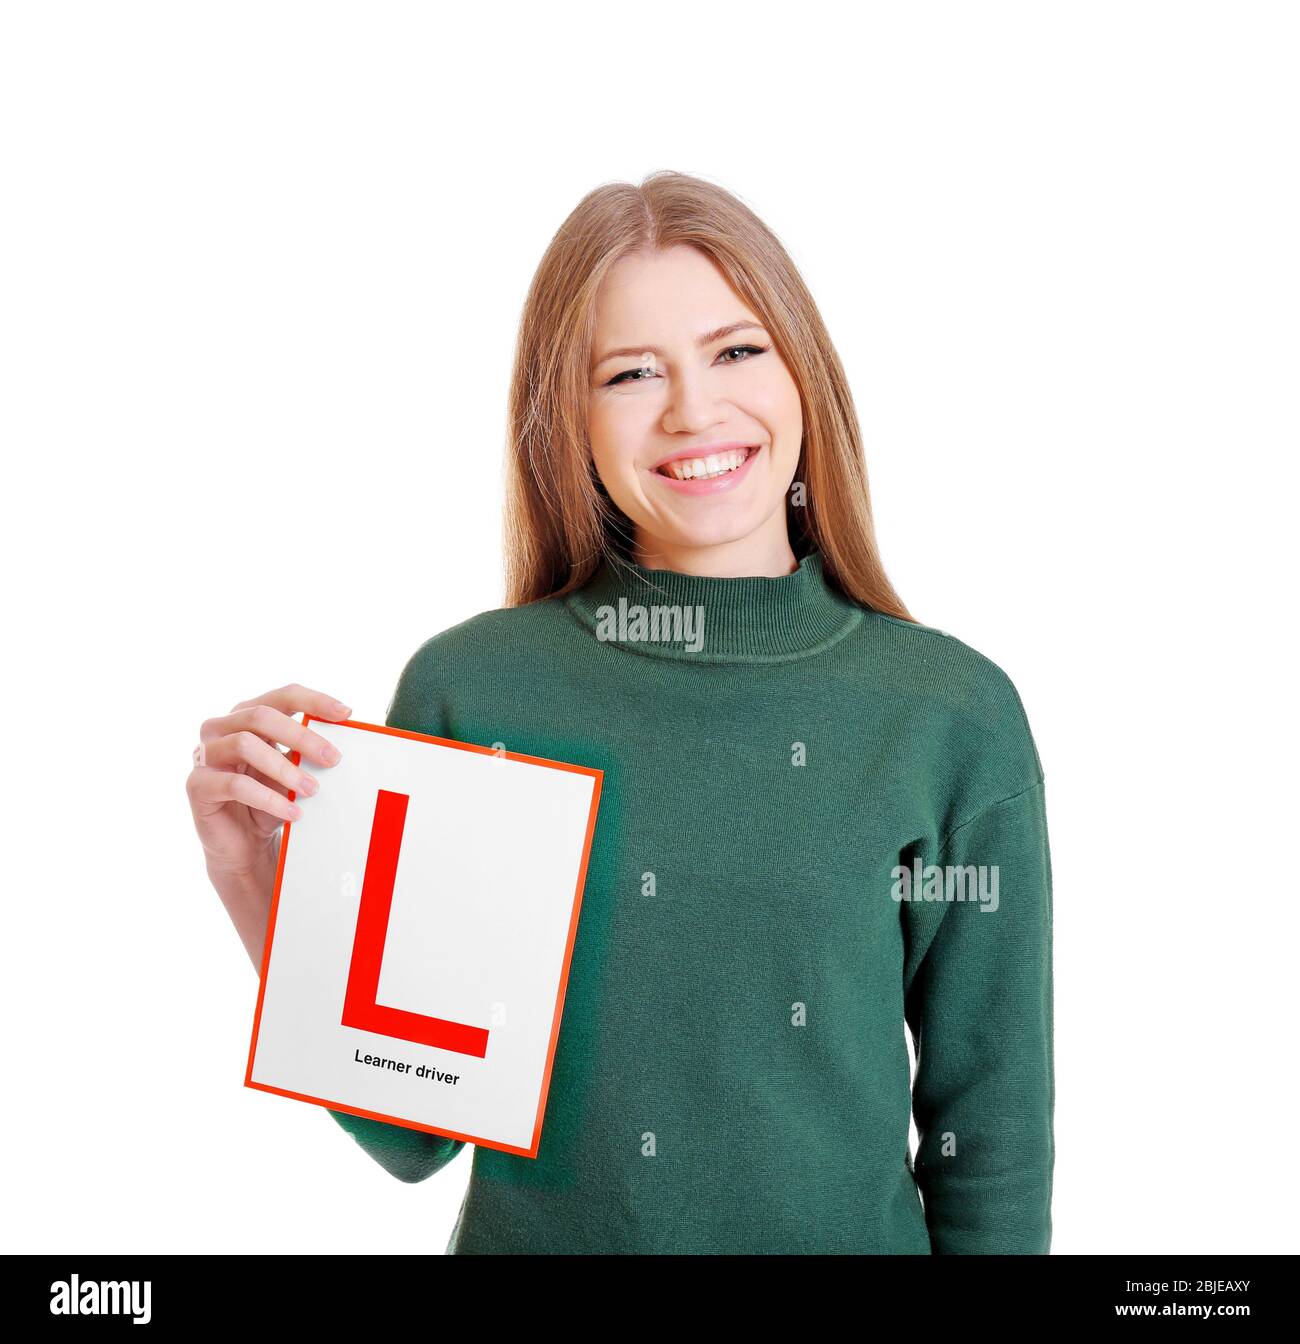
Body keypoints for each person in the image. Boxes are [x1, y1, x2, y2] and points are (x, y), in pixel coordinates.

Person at [187, 170, 1054, 1255]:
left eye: (736, 350)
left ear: (802, 374)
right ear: (570, 422)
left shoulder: (949, 718)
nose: (695, 409)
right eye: (630, 373)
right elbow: (414, 1136)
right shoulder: (477, 691)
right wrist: (258, 885)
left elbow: (994, 1145)